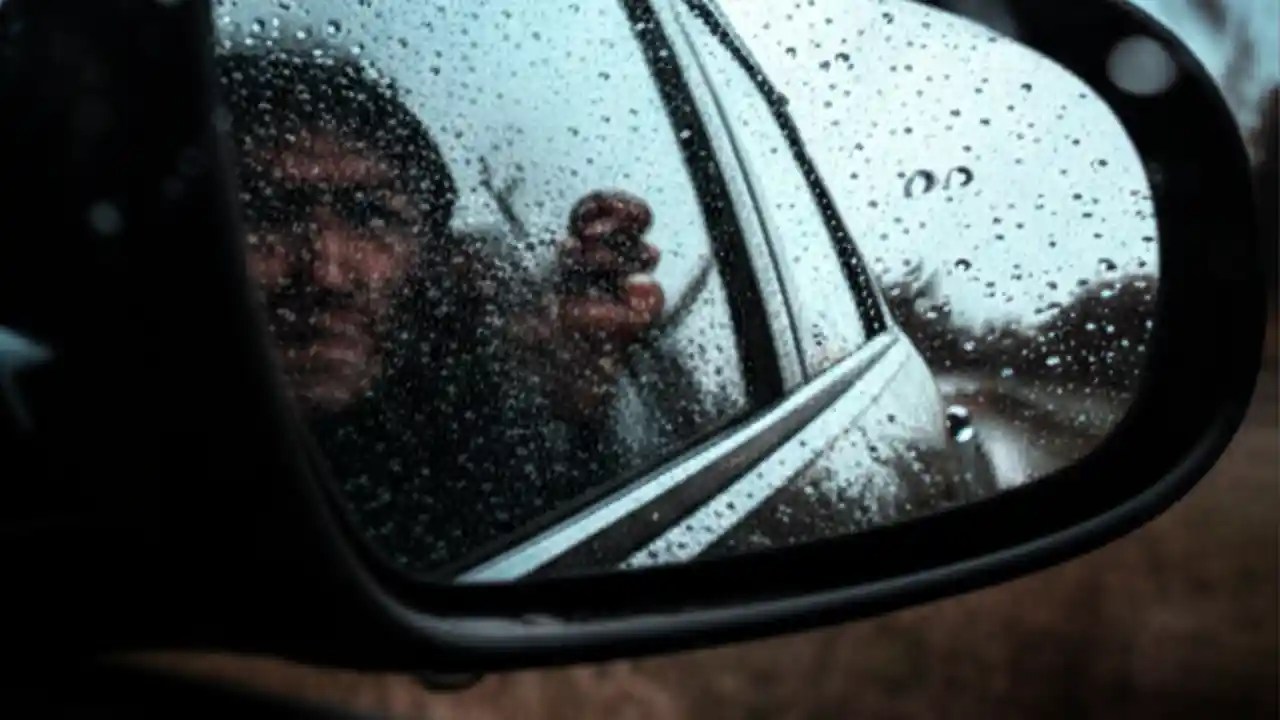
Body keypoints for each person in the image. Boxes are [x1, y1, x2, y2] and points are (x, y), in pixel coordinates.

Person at [217, 49, 669, 574]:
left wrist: (573, 413)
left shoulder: (463, 415)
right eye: (264, 212)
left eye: (372, 216)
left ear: (426, 258)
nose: (327, 272)